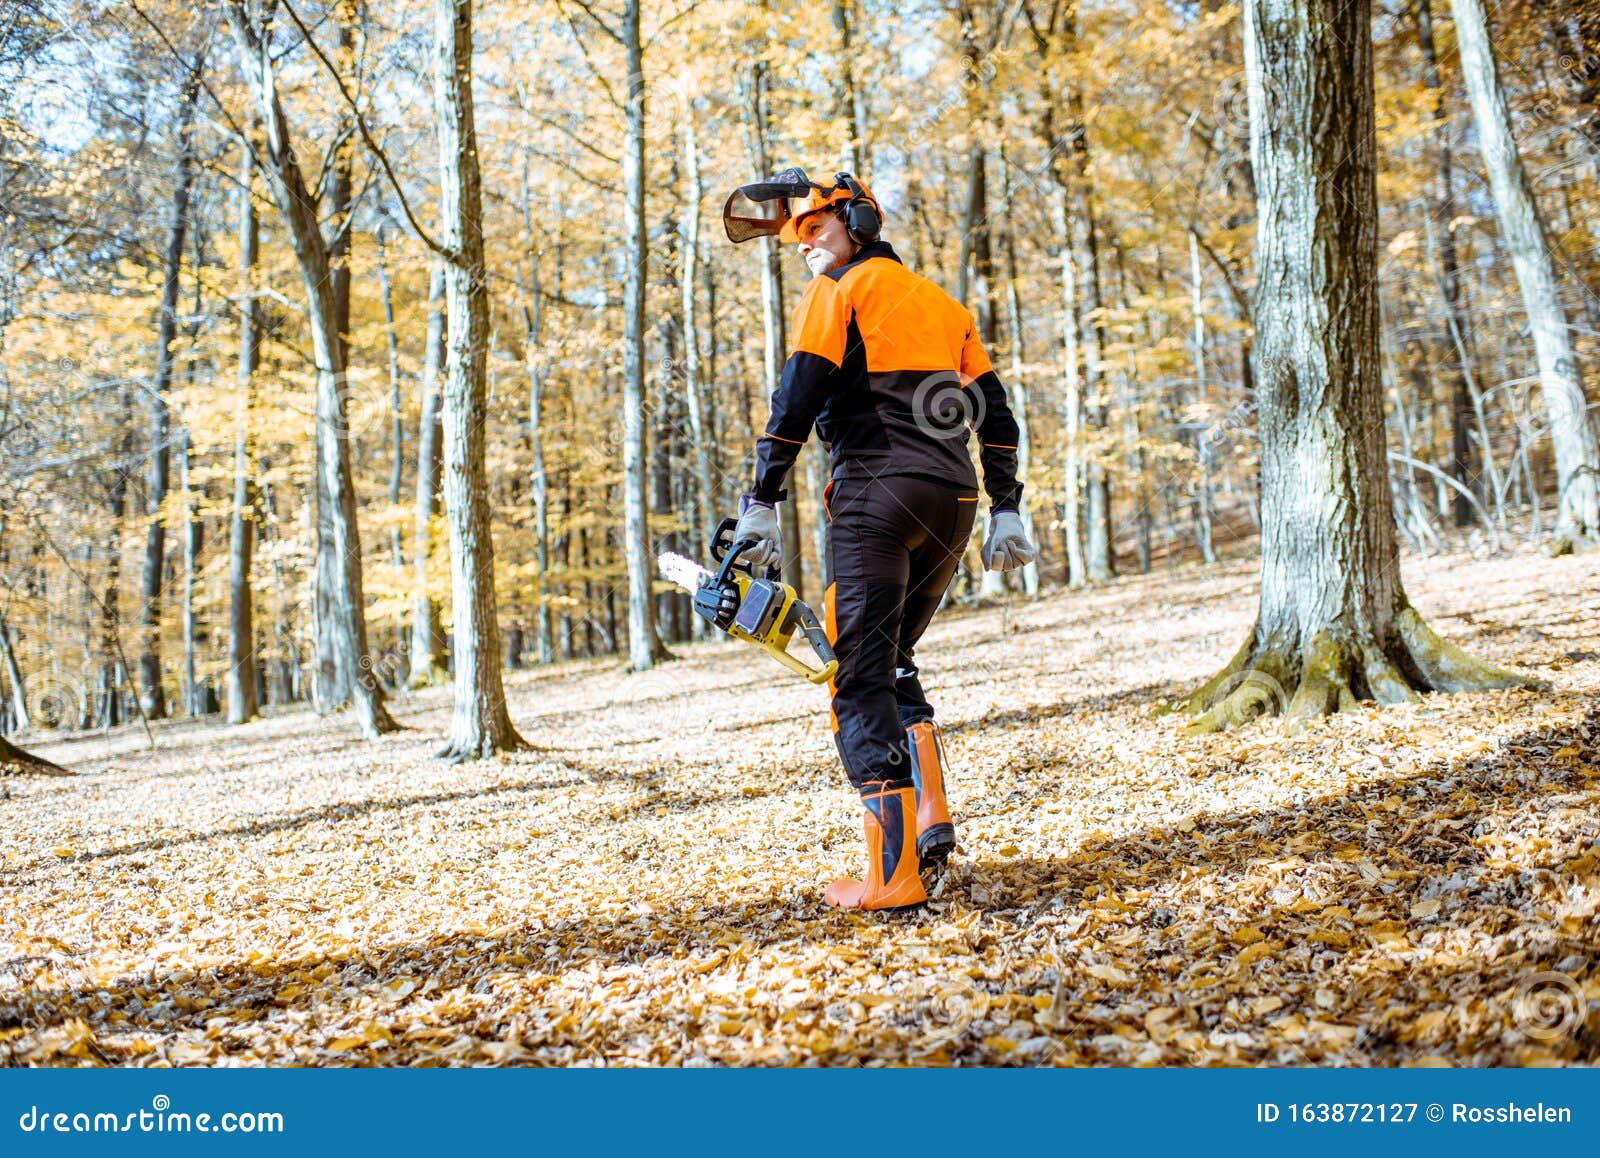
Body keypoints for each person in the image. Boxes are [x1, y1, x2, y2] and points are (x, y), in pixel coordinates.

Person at [725, 170, 1036, 912]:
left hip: (877, 500)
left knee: (855, 678)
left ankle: (891, 876)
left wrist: (762, 500)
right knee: (892, 659)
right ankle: (930, 813)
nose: (805, 245)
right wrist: (1006, 509)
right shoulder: (945, 304)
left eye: (817, 229)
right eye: (797, 235)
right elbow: (994, 415)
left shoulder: (838, 294)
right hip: (952, 504)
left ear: (859, 221)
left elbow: (796, 395)